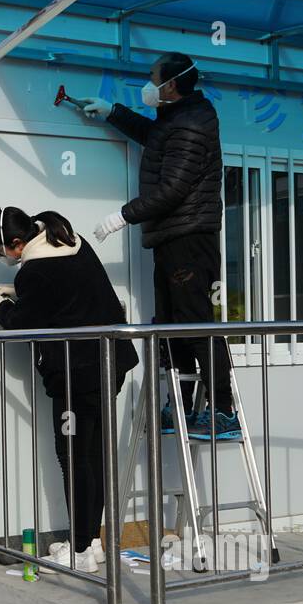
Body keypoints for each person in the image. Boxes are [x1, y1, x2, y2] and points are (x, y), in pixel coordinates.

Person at [80, 52, 238, 440]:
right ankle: (181, 406)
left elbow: (174, 189)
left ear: (170, 84)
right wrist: (112, 112)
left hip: (188, 237)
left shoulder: (191, 126)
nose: (147, 86)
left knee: (195, 323)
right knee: (171, 325)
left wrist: (122, 216)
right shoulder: (178, 119)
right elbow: (154, 136)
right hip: (171, 237)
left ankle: (222, 410)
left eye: (152, 78)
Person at [0, 207, 138, 574]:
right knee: (93, 455)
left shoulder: (36, 270)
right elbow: (66, 302)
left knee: (74, 460)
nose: (5, 258)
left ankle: (80, 550)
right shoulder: (71, 242)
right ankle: (92, 543)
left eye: (4, 251)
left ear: (17, 243)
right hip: (110, 365)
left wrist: (1, 305)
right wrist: (19, 291)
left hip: (76, 376)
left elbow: (26, 324)